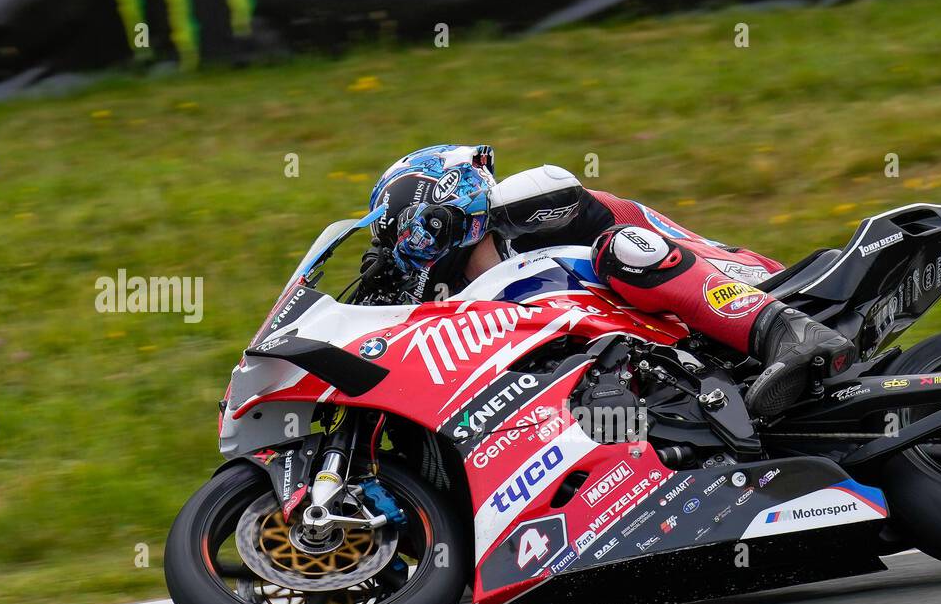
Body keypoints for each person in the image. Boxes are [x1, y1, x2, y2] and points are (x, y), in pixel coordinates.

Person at [360, 144, 855, 416]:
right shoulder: (446, 295)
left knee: (619, 249)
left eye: (405, 217)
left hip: (745, 286)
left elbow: (568, 192)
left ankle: (787, 330)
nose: (403, 236)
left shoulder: (525, 214)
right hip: (660, 359)